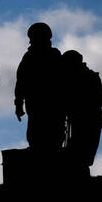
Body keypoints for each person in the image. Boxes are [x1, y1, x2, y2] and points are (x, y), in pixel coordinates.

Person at [14, 23, 67, 153]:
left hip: (52, 103)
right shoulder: (32, 57)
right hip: (38, 103)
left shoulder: (54, 56)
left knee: (53, 135)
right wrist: (19, 104)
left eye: (33, 37)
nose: (30, 41)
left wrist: (19, 104)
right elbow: (21, 82)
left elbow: (65, 81)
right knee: (37, 135)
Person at [61, 49, 102, 175]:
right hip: (82, 121)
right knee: (79, 155)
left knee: (83, 154)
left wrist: (77, 107)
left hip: (89, 120)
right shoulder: (73, 79)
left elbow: (100, 100)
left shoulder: (89, 77)